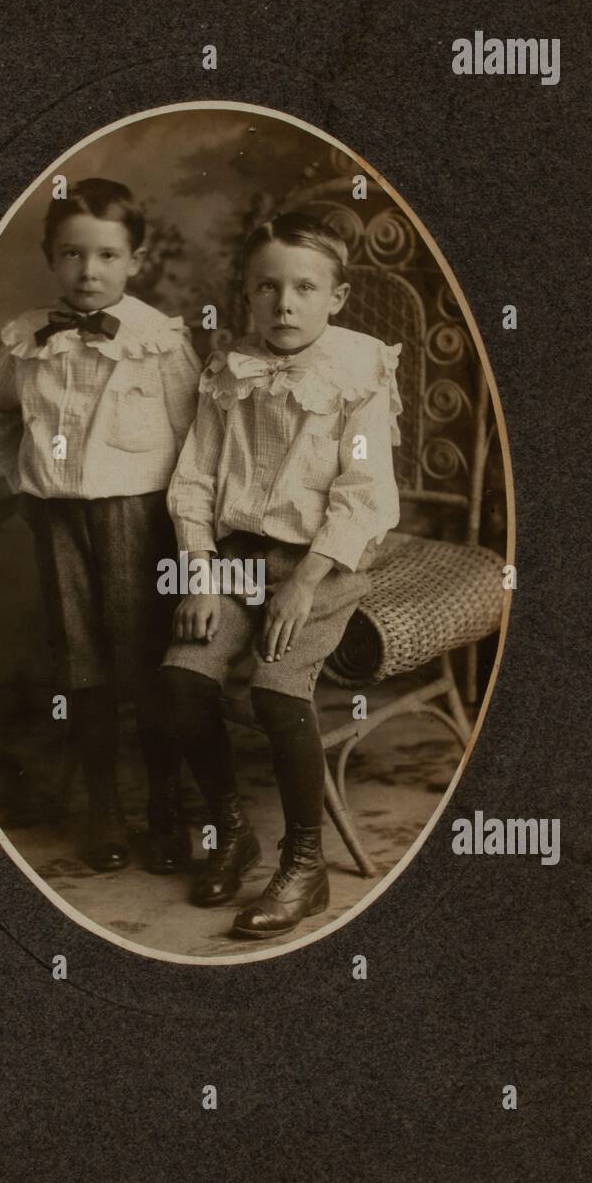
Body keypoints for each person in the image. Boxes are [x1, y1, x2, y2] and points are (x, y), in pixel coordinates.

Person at [160, 211, 402, 939]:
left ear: (336, 296)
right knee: (180, 677)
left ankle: (305, 863)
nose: (284, 304)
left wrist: (304, 584)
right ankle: (232, 830)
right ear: (247, 294)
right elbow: (195, 480)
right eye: (268, 287)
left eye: (304, 287)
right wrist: (198, 575)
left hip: (321, 560)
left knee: (273, 687)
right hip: (233, 561)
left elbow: (364, 493)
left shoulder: (357, 370)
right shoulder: (228, 369)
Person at [0, 178, 201, 875]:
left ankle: (166, 802)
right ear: (50, 256)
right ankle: (104, 806)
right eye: (72, 254)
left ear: (135, 260)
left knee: (144, 661)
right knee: (81, 663)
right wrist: (27, 483)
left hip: (139, 515)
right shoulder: (25, 341)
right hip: (58, 519)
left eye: (107, 255)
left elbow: (201, 437)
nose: (89, 271)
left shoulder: (159, 343)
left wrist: (192, 539)